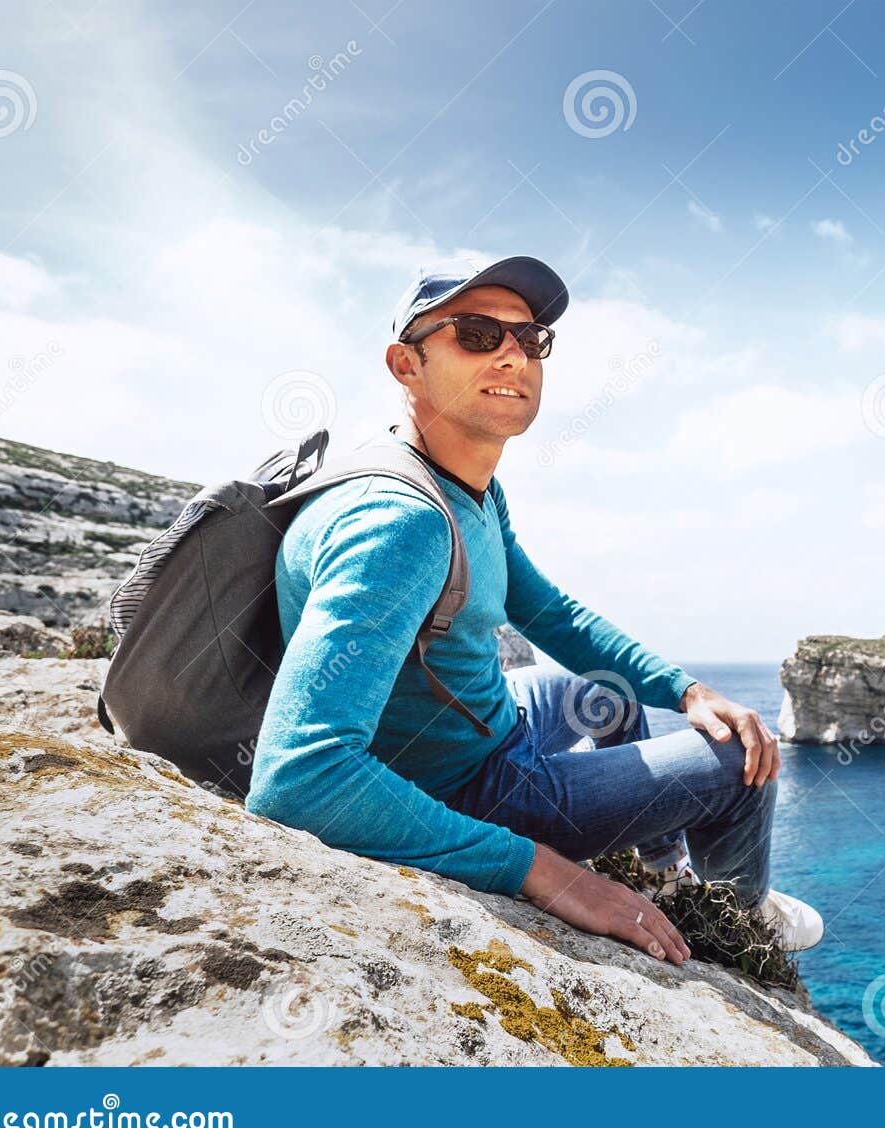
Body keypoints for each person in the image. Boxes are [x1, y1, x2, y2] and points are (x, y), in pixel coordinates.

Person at [247, 255, 823, 962]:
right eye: (478, 334)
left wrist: (686, 689)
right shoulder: (403, 524)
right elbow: (297, 776)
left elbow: (548, 612)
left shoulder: (464, 484)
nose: (514, 355)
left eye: (531, 338)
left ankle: (666, 871)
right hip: (470, 790)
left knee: (605, 695)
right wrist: (546, 873)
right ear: (406, 364)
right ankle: (744, 927)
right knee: (740, 761)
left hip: (492, 726)